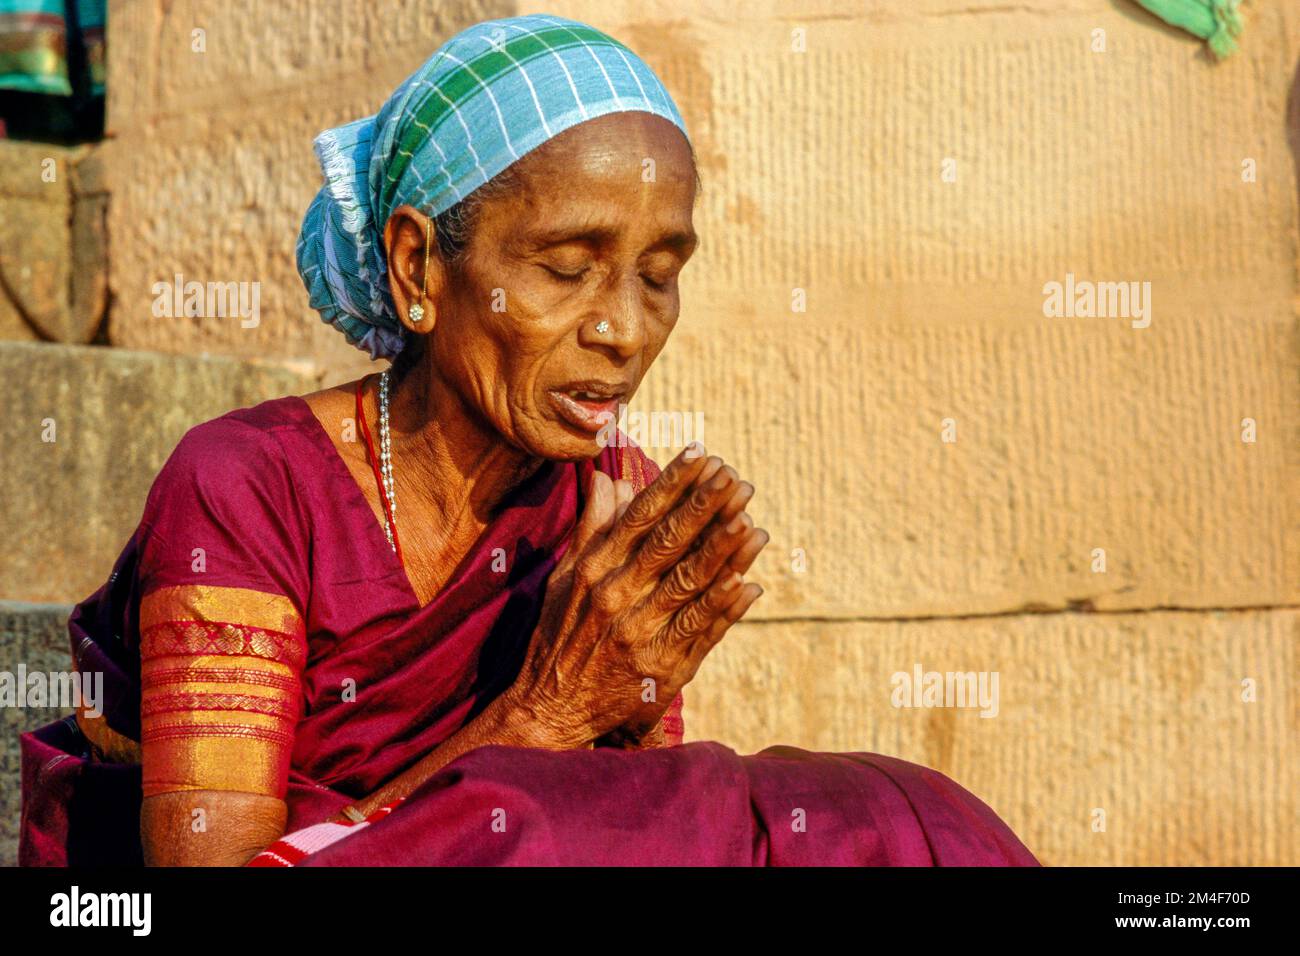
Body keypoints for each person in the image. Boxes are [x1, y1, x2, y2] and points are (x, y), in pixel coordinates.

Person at [19, 13, 1037, 867]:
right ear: (417, 267)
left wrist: (624, 699)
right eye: (567, 266)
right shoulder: (248, 483)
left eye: (658, 271)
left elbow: (629, 833)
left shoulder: (608, 501)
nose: (626, 329)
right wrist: (542, 716)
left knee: (889, 815)